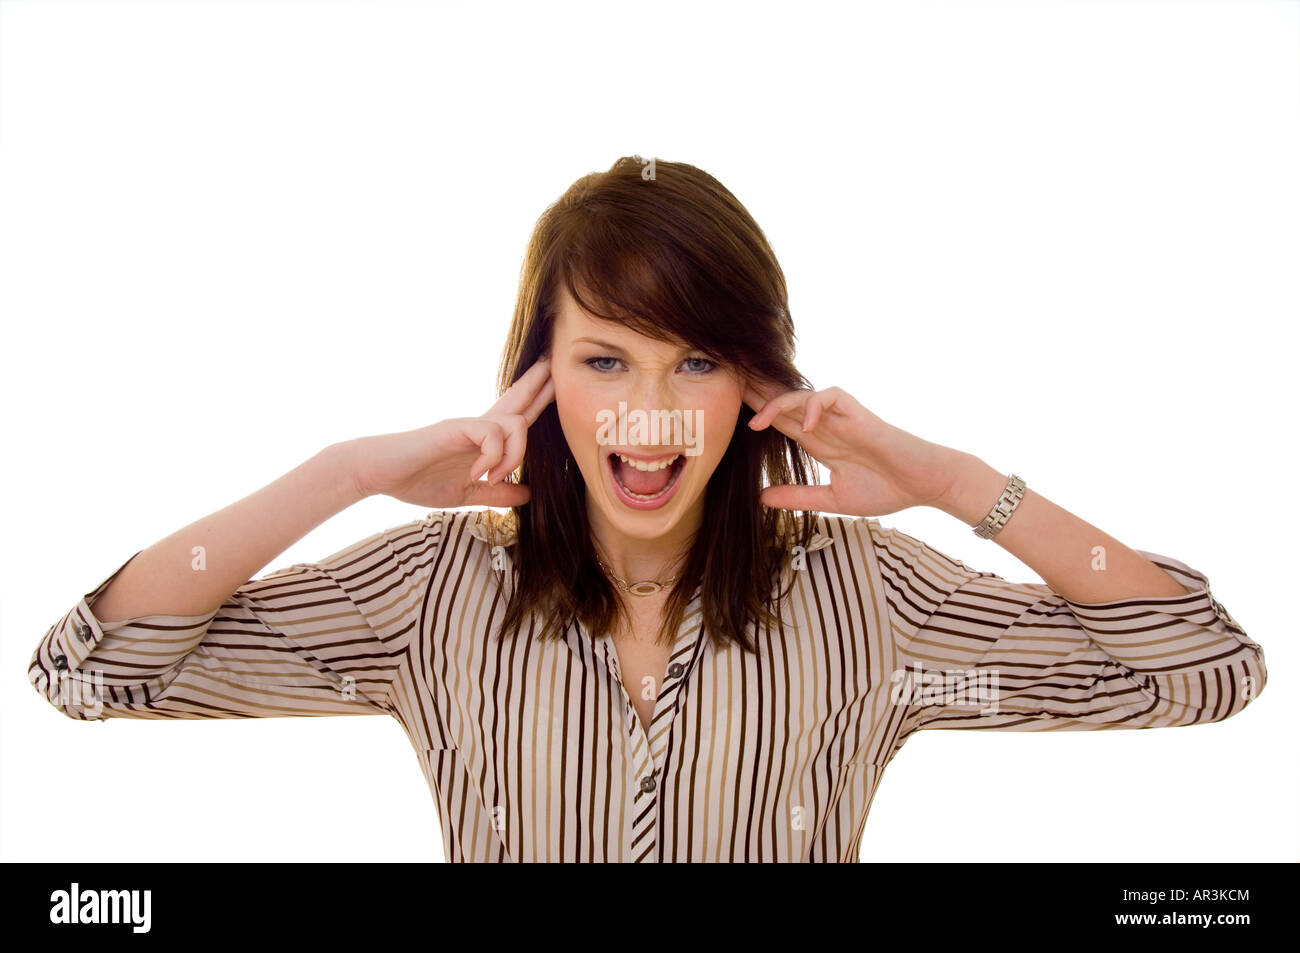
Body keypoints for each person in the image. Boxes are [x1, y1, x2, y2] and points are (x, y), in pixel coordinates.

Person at [28, 156, 1267, 862]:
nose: (651, 409)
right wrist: (347, 469)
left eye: (697, 360)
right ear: (540, 376)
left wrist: (952, 484)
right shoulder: (433, 591)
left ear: (755, 384)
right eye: (605, 360)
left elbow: (1201, 666)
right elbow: (93, 670)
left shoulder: (868, 599)